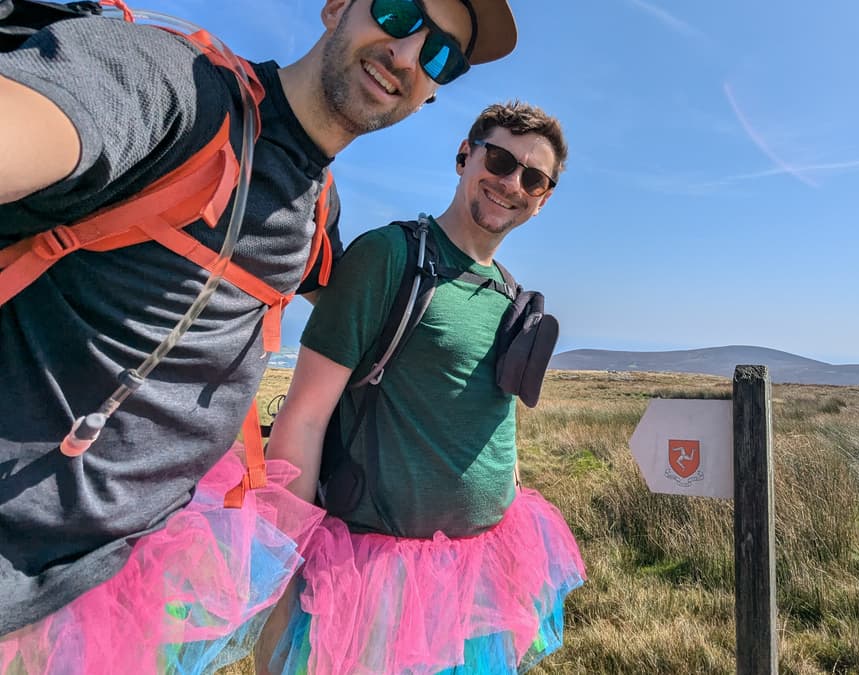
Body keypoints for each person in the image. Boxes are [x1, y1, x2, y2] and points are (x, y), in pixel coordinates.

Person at [0, 0, 518, 671]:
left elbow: (367, 313)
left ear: (429, 98)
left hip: (115, 593)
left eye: (442, 54)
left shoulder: (317, 213)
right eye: (396, 11)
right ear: (337, 6)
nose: (410, 53)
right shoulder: (175, 90)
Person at [259, 101, 585, 674]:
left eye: (532, 177)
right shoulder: (390, 258)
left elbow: (495, 417)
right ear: (464, 156)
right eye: (500, 160)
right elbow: (305, 417)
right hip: (381, 576)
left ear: (544, 198)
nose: (511, 183)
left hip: (482, 572)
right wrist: (276, 569)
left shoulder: (510, 292)